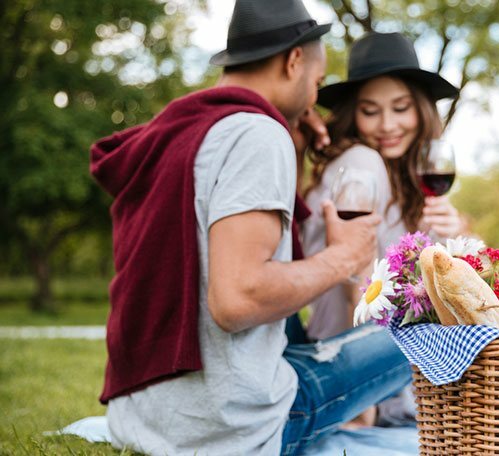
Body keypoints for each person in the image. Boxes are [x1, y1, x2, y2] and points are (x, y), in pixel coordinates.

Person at [89, 2, 411, 455]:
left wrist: (293, 132)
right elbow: (240, 297)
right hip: (238, 427)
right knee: (431, 327)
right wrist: (343, 258)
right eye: (317, 84)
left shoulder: (180, 133)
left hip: (142, 417)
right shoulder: (258, 134)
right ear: (294, 60)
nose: (315, 99)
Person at [301, 32, 465, 342]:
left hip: (386, 349)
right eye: (371, 111)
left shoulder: (403, 179)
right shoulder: (361, 163)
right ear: (353, 113)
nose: (388, 125)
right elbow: (359, 290)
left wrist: (452, 232)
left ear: (421, 109)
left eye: (401, 108)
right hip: (355, 355)